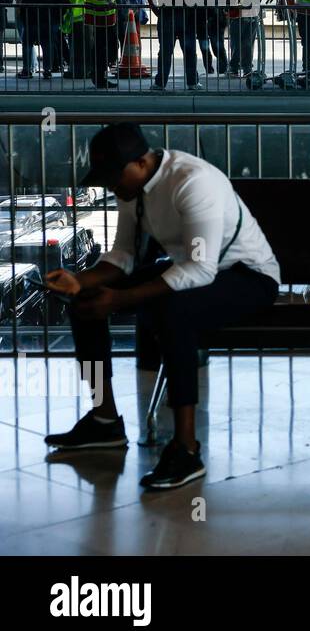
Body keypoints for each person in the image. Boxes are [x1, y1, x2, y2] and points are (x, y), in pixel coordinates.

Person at [43, 123, 280, 490]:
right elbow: (123, 255)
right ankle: (105, 420)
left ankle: (186, 449)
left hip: (247, 276)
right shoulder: (130, 187)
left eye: (113, 176)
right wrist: (82, 281)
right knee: (84, 304)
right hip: (188, 270)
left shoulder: (192, 182)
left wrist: (119, 299)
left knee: (175, 314)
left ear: (140, 162)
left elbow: (202, 268)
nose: (110, 186)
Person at [16, 0, 67, 80]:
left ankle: (27, 70)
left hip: (31, 18)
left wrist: (21, 13)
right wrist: (58, 17)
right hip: (48, 19)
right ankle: (47, 70)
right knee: (47, 44)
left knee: (27, 43)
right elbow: (62, 0)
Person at [81, 0, 120, 89]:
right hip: (101, 17)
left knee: (102, 48)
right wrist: (110, 3)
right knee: (102, 50)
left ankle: (99, 76)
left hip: (102, 18)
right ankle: (100, 78)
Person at [227, 0, 261, 78]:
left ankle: (234, 68)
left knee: (236, 44)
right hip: (252, 16)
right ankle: (247, 68)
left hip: (237, 16)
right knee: (248, 44)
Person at [204, 0, 231, 75]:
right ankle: (222, 66)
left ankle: (223, 66)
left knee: (216, 42)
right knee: (218, 41)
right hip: (222, 15)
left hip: (214, 15)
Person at [11, 0, 36, 75]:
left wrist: (17, 10)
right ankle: (32, 65)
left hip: (22, 12)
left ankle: (28, 68)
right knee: (29, 40)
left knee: (25, 40)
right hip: (29, 11)